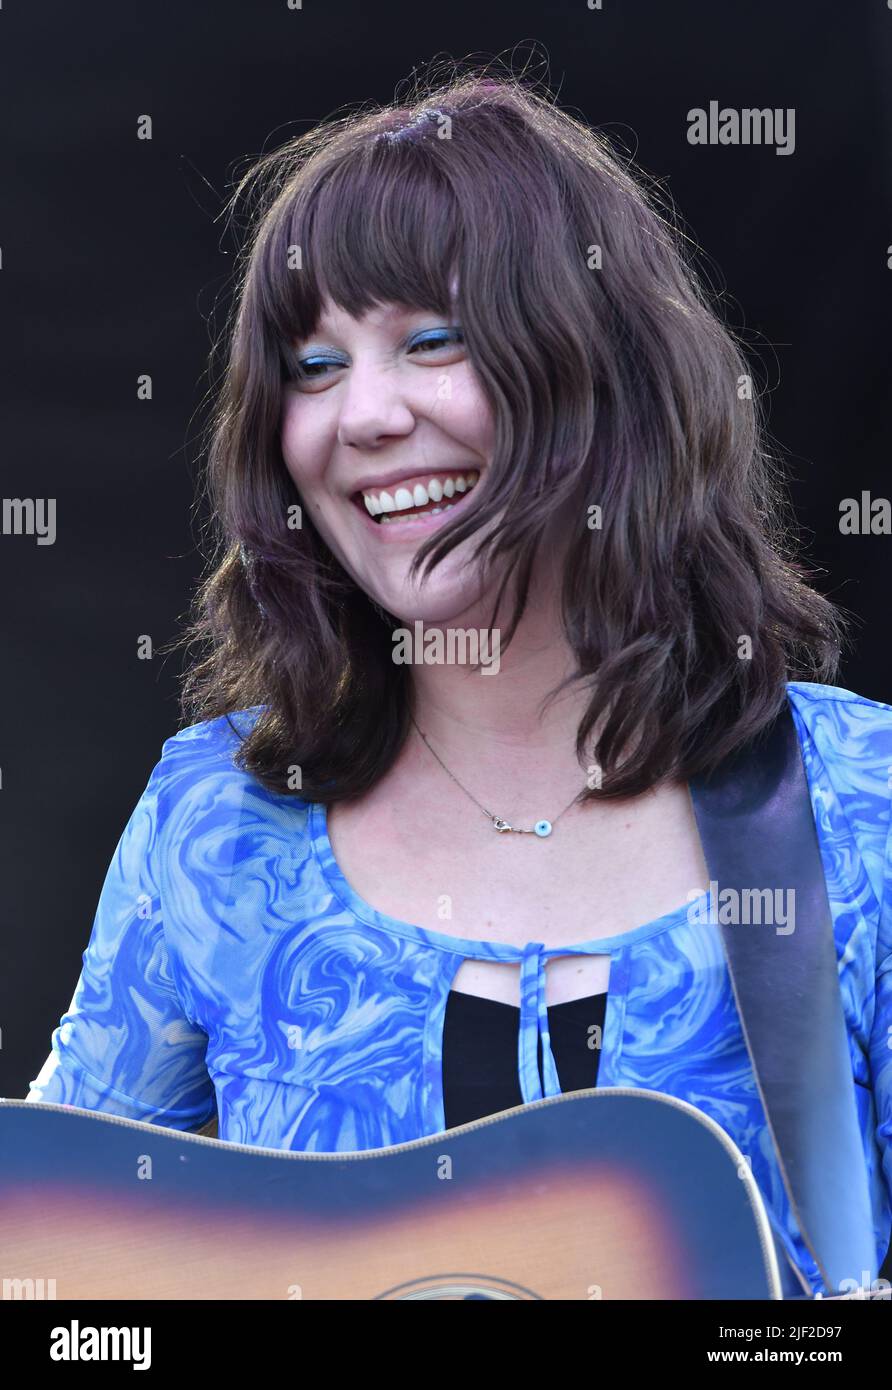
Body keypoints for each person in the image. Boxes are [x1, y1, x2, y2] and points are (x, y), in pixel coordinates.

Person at [25, 69, 892, 1300]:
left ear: (604, 375)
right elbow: (48, 1265)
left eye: (431, 341)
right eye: (312, 367)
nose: (362, 415)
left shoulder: (856, 807)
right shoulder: (213, 825)